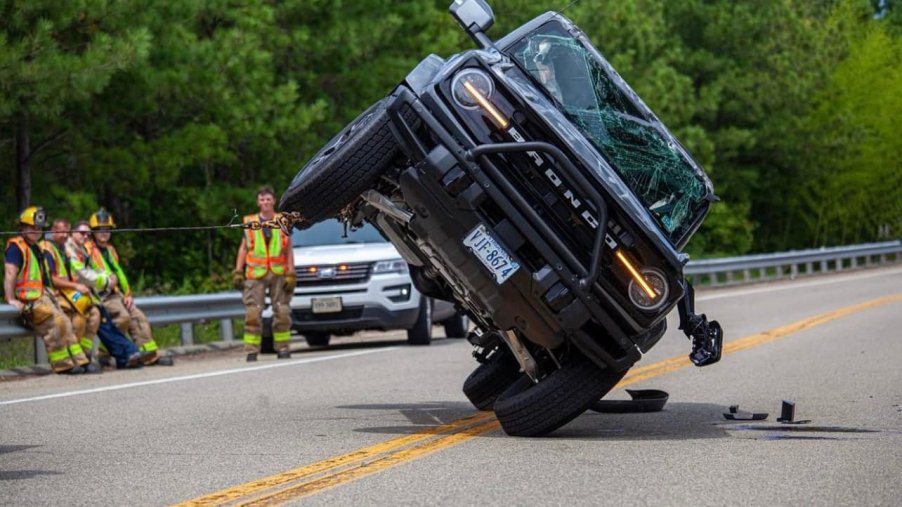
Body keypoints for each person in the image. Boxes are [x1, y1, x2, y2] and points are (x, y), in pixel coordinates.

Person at [3, 207, 98, 374]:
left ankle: (80, 361)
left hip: (45, 295)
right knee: (56, 325)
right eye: (32, 227)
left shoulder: (36, 248)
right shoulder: (16, 247)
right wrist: (10, 299)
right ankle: (63, 364)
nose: (36, 231)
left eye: (39, 228)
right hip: (29, 300)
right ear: (22, 227)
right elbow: (10, 273)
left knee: (66, 323)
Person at [84, 208, 174, 366]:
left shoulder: (110, 250)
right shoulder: (87, 250)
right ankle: (110, 355)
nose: (104, 233)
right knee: (122, 316)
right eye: (100, 230)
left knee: (138, 316)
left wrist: (127, 295)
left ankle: (149, 354)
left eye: (107, 229)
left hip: (116, 293)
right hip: (100, 296)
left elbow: (119, 274)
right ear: (92, 231)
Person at [66, 220, 149, 369]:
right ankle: (126, 353)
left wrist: (111, 279)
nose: (85, 236)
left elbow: (97, 270)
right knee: (101, 319)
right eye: (82, 233)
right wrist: (106, 281)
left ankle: (124, 355)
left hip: (83, 292)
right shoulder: (71, 250)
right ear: (72, 233)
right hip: (72, 293)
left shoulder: (83, 250)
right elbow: (82, 275)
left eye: (87, 234)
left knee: (102, 319)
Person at [233, 186, 295, 361]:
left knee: (282, 312)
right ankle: (251, 350)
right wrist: (238, 271)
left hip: (279, 272)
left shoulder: (282, 220)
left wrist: (291, 272)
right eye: (262, 199)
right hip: (255, 274)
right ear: (258, 202)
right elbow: (243, 249)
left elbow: (288, 249)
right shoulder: (250, 222)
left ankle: (283, 348)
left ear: (273, 201)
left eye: (268, 199)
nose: (265, 202)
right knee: (253, 312)